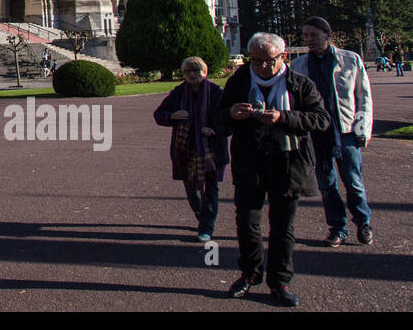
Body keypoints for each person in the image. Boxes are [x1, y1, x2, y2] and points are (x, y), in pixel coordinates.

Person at [215, 32, 329, 307]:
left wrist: (284, 117)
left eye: (268, 61)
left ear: (283, 57)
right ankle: (250, 274)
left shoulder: (299, 84)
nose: (261, 67)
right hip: (250, 160)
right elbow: (218, 118)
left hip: (287, 162)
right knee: (247, 222)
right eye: (255, 61)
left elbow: (321, 119)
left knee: (282, 226)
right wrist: (231, 114)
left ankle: (279, 280)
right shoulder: (240, 81)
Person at [291, 17, 374, 247]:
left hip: (346, 131)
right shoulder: (298, 66)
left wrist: (362, 129)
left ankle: (363, 222)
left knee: (353, 181)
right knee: (327, 184)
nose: (309, 40)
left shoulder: (350, 60)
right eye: (306, 35)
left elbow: (363, 97)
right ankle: (338, 227)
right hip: (317, 133)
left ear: (327, 36)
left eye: (314, 35)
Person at [153, 56, 228, 241]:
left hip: (210, 149)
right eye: (188, 71)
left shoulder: (217, 93)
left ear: (205, 72)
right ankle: (201, 215)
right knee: (192, 190)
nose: (193, 74)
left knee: (210, 190)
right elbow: (159, 115)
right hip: (185, 150)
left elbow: (229, 120)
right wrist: (172, 116)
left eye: (196, 70)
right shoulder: (178, 93)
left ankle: (206, 227)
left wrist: (215, 130)